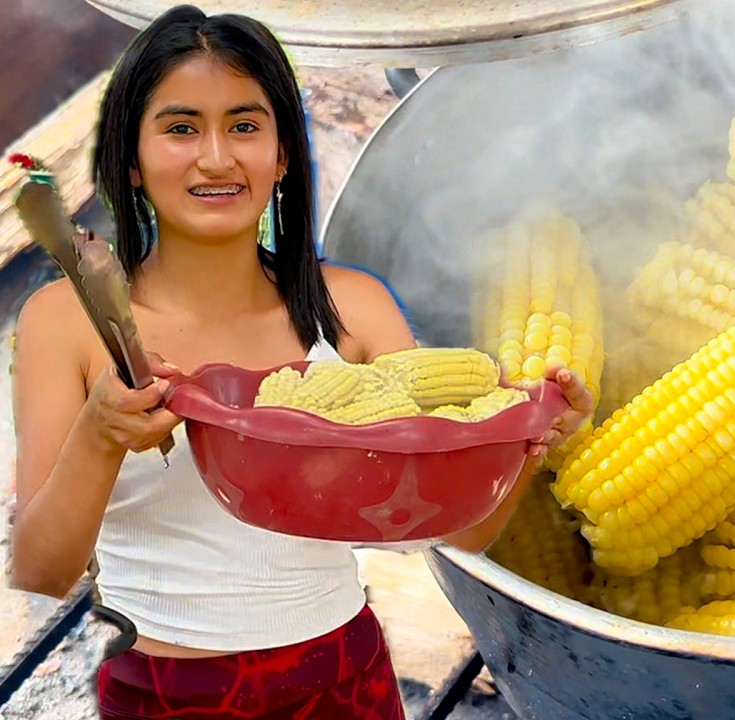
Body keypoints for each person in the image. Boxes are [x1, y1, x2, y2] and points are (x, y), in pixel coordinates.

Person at [7, 5, 594, 719]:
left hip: (344, 675)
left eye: (246, 126)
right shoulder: (64, 322)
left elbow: (450, 529)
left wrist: (527, 439)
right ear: (130, 159)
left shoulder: (355, 310)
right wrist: (98, 437)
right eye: (181, 127)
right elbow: (40, 570)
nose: (217, 157)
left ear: (283, 153)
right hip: (166, 690)